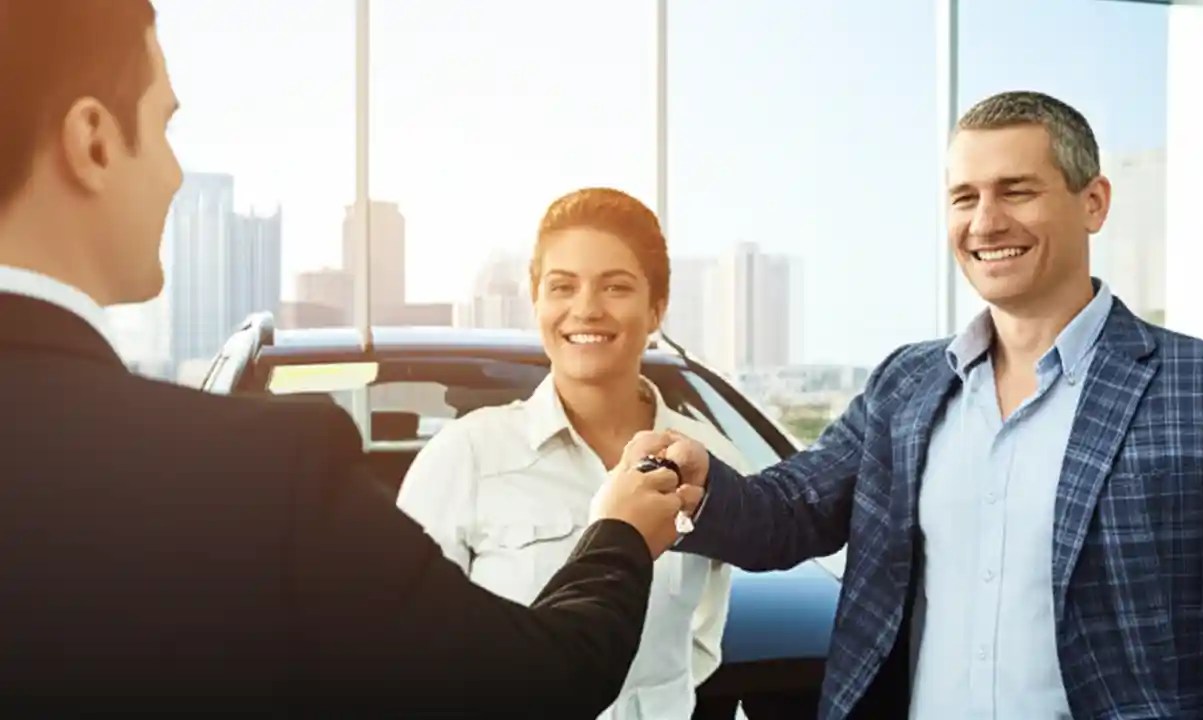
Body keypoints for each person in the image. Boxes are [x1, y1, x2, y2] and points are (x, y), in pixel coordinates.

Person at [0, 1, 704, 714]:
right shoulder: (259, 478)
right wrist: (617, 531)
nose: (176, 173)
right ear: (91, 140)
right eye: (163, 126)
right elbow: (527, 684)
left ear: (656, 306)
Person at [645, 90, 1203, 719]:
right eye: (964, 197)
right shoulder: (907, 383)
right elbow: (790, 513)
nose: (985, 221)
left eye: (1017, 190)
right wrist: (700, 487)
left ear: (1094, 202)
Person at [396, 187, 750, 719]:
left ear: (656, 308)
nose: (586, 309)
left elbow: (700, 640)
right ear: (537, 301)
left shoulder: (706, 458)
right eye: (562, 286)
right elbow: (411, 653)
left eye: (616, 287)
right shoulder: (464, 456)